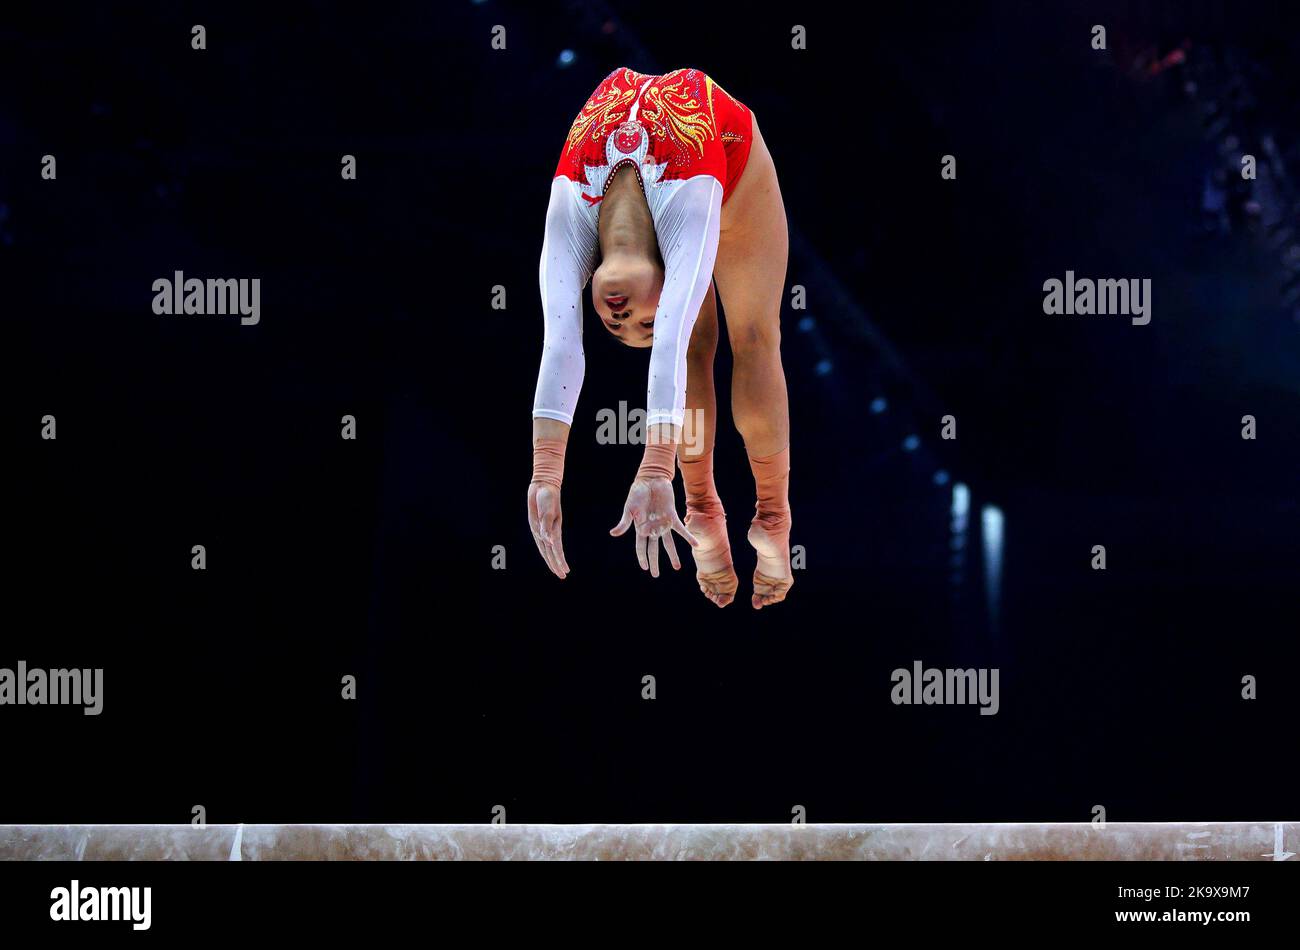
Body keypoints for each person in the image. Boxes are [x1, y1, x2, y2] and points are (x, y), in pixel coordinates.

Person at [528, 67, 792, 609]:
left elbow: (558, 343)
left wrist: (545, 473)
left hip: (697, 165)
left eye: (616, 328)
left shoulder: (570, 210)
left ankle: (732, 511)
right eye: (642, 324)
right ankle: (764, 515)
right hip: (727, 155)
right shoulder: (688, 207)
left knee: (706, 344)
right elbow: (667, 343)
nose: (623, 321)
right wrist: (652, 470)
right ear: (670, 288)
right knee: (751, 337)